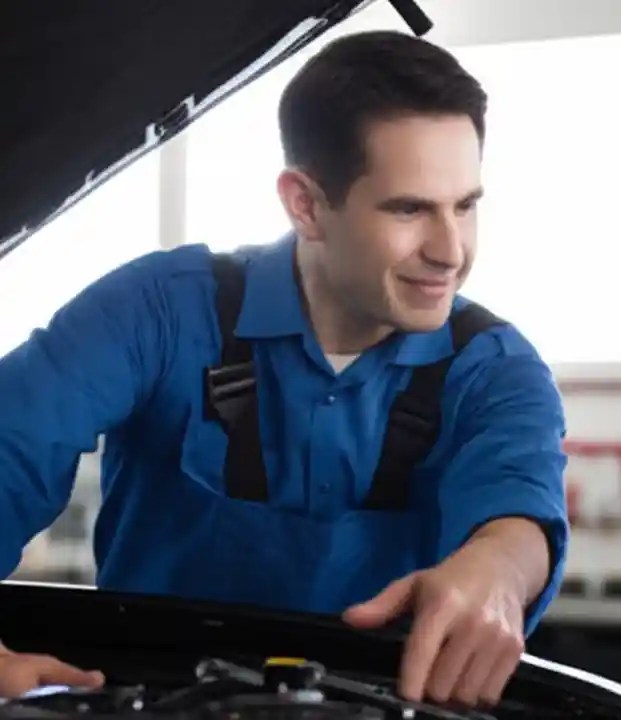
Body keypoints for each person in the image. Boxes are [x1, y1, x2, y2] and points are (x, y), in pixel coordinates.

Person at [0, 31, 568, 709]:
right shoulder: (156, 311)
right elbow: (10, 444)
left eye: (466, 205)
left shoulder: (496, 371)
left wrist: (498, 572)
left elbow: (518, 508)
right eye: (409, 208)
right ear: (305, 204)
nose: (451, 251)